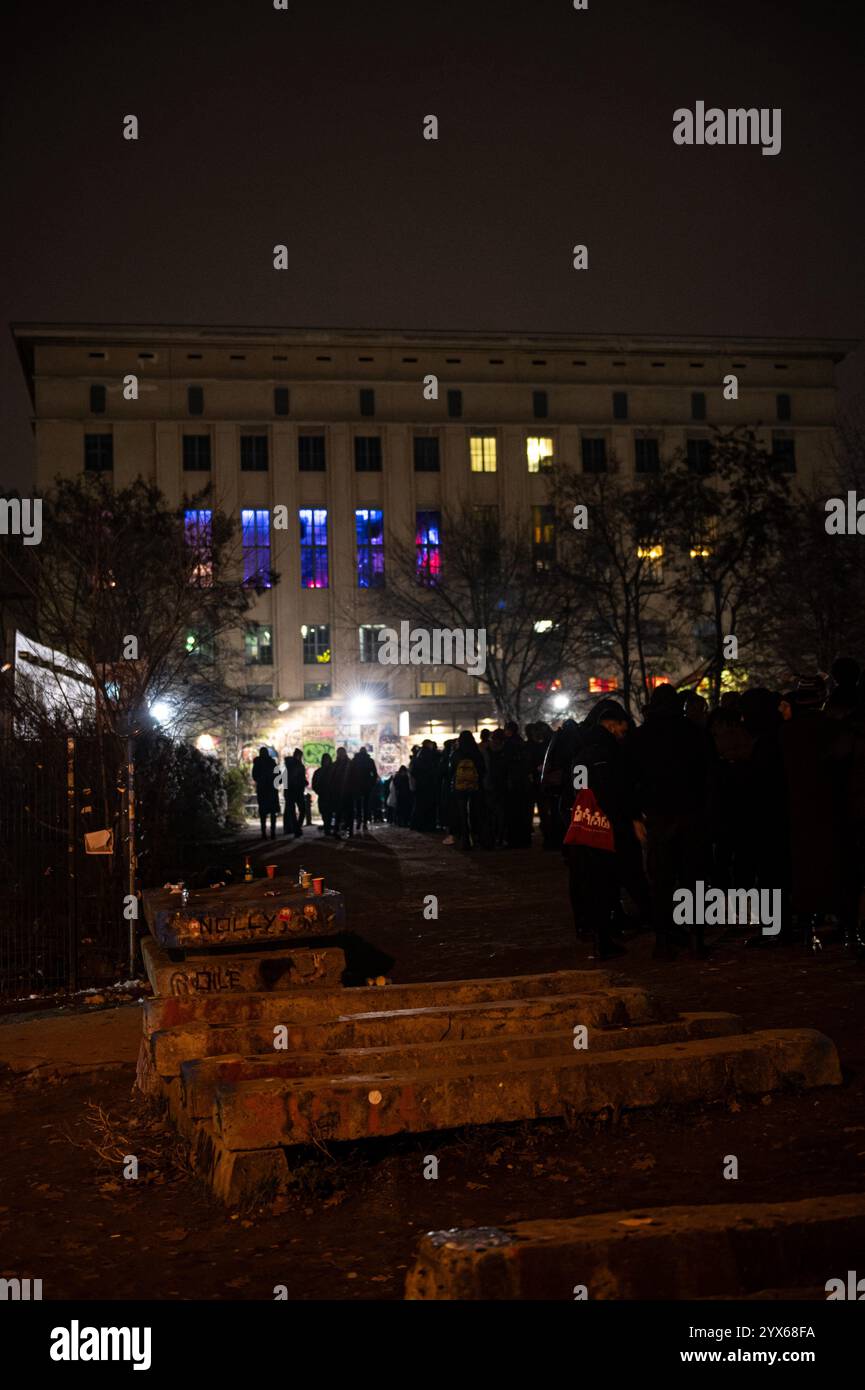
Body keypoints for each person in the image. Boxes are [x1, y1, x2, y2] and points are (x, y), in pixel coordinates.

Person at [628, 683, 711, 959]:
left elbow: (631, 779)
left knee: (661, 881)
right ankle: (697, 937)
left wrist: (635, 814)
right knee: (694, 878)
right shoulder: (694, 733)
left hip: (658, 815)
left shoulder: (640, 737)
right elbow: (709, 775)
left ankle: (663, 940)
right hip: (692, 813)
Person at [562, 700, 638, 960]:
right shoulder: (605, 752)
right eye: (620, 729)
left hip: (580, 824)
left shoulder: (579, 749)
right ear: (609, 725)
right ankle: (604, 937)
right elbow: (614, 790)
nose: (621, 734)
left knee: (588, 881)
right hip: (601, 825)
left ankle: (594, 931)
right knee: (604, 882)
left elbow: (573, 789)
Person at [450, 730, 486, 850]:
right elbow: (482, 769)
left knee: (462, 814)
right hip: (475, 787)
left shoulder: (456, 753)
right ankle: (478, 839)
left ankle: (465, 840)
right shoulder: (476, 752)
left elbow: (452, 770)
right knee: (477, 813)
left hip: (460, 788)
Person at [502, 721, 533, 848]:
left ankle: (514, 840)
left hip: (513, 782)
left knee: (513, 813)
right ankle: (525, 839)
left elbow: (506, 764)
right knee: (523, 812)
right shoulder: (522, 743)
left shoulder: (509, 744)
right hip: (523, 782)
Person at [251, 746, 279, 840]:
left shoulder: (257, 763)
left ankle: (264, 832)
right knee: (272, 812)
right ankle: (272, 832)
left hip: (262, 790)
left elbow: (254, 776)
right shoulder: (271, 762)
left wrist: (261, 780)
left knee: (263, 812)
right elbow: (278, 775)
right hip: (271, 790)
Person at [350, 745, 378, 832]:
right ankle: (365, 822)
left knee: (358, 805)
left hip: (357, 786)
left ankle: (359, 821)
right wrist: (372, 783)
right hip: (366, 786)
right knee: (366, 805)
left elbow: (350, 773)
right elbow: (374, 774)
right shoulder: (369, 761)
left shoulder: (354, 761)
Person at [282, 748, 307, 838]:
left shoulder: (288, 765)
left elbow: (284, 778)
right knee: (302, 810)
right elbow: (301, 778)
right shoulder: (299, 766)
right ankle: (297, 828)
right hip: (297, 791)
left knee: (291, 811)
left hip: (290, 791)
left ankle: (295, 828)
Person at [329, 746, 353, 837]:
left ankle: (344, 829)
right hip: (340, 792)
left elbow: (332, 778)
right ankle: (340, 830)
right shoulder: (348, 764)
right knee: (341, 812)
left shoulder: (339, 764)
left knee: (345, 812)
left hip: (345, 792)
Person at [311, 753, 334, 835]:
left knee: (326, 812)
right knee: (327, 812)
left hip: (325, 795)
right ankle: (327, 827)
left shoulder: (319, 772)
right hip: (328, 795)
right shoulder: (332, 771)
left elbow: (314, 784)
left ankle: (327, 827)